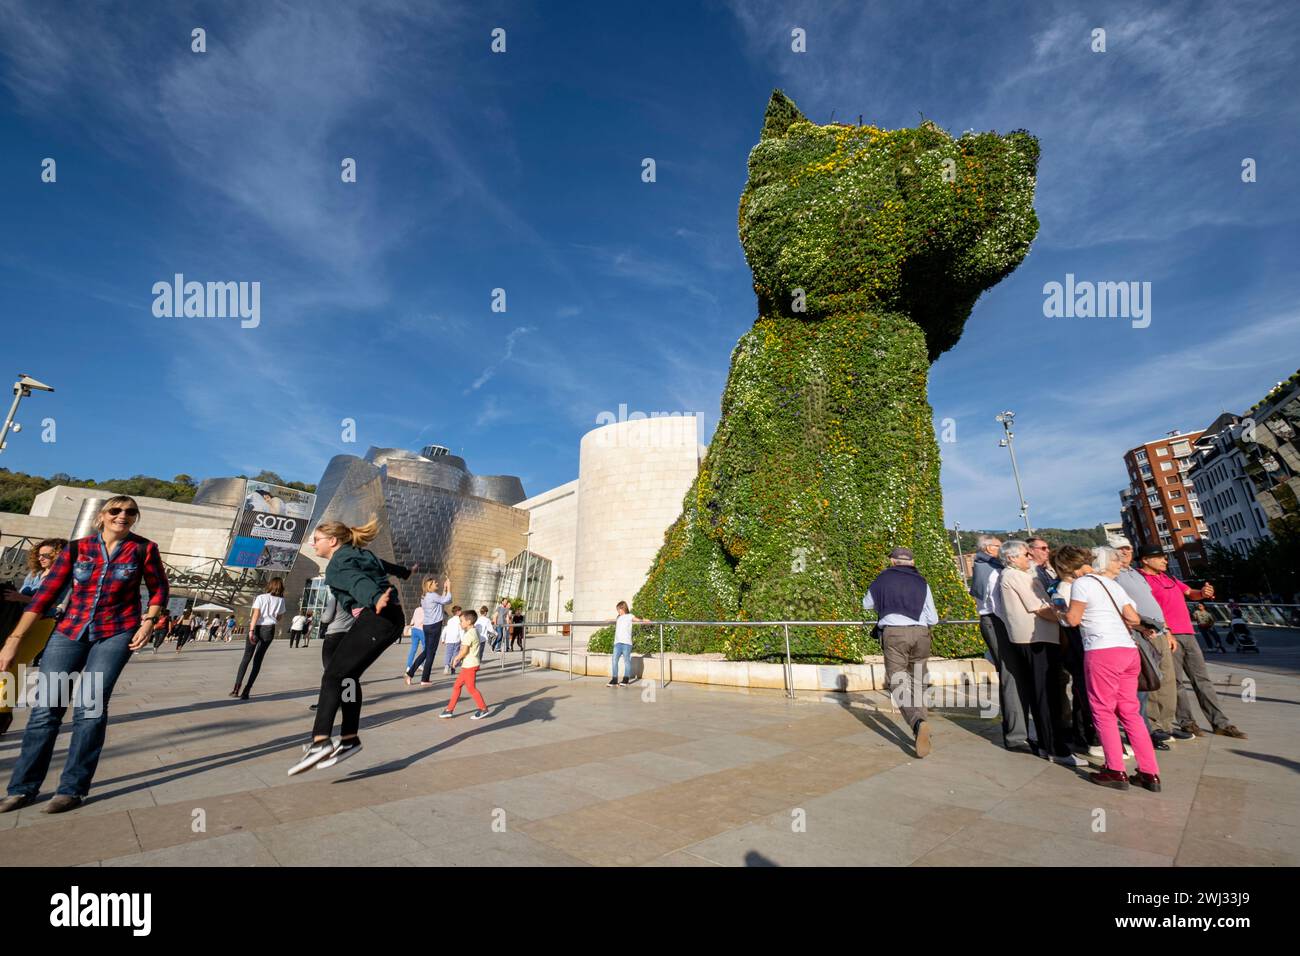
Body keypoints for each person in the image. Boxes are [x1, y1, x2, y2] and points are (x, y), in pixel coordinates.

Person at [0, 496, 168, 814]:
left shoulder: (144, 548)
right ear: (102, 516)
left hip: (116, 632)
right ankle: (22, 788)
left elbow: (159, 587)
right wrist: (14, 639)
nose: (123, 516)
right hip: (69, 631)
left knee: (89, 709)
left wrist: (149, 621)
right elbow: (45, 595)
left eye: (130, 512)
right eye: (116, 511)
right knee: (45, 710)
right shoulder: (77, 549)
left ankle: (71, 790)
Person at [289, 518, 414, 774]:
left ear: (332, 541)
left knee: (333, 676)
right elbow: (382, 565)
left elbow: (357, 581)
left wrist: (375, 597)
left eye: (316, 540)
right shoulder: (359, 553)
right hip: (389, 618)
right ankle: (349, 739)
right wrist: (404, 572)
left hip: (377, 616)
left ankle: (320, 742)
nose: (313, 545)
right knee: (348, 678)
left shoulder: (337, 565)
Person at [1063, 546, 1160, 791]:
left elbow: (1073, 619)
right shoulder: (1115, 586)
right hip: (1128, 651)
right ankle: (1150, 773)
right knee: (1130, 711)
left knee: (1103, 711)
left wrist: (1058, 612)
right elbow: (1134, 619)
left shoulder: (1083, 583)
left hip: (1102, 651)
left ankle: (1115, 769)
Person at [1136, 547, 1246, 740]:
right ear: (1145, 560)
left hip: (1188, 632)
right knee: (1175, 682)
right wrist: (1165, 630)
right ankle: (1187, 723)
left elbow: (1189, 593)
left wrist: (1202, 593)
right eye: (1160, 557)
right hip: (1167, 635)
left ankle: (1220, 723)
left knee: (1202, 679)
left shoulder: (1169, 577)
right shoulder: (1140, 580)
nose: (1165, 560)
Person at [998, 541, 1085, 765]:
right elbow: (1038, 606)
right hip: (1035, 639)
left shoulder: (1022, 575)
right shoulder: (1015, 576)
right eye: (1026, 554)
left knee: (1047, 692)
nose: (1030, 557)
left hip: (1040, 638)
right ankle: (1054, 747)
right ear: (1011, 558)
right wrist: (1068, 617)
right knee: (1046, 693)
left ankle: (1051, 744)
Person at [862, 547, 937, 757]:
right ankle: (922, 727)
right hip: (921, 634)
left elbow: (866, 604)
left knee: (897, 681)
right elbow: (934, 618)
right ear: (912, 562)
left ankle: (917, 722)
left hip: (894, 634)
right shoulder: (922, 582)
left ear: (892, 561)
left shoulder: (882, 580)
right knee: (918, 681)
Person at [1111, 539, 1184, 750]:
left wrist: (1167, 630)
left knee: (1167, 679)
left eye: (1129, 548)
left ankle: (1166, 724)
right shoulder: (1114, 575)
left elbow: (1154, 604)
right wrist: (1140, 627)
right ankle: (1152, 727)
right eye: (1121, 548)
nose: (1126, 551)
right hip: (1142, 631)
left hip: (1159, 630)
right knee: (1149, 679)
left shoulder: (1135, 574)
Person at [0, 538, 70, 737]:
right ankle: (4, 710)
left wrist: (21, 598)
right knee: (6, 666)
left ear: (58, 556)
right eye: (39, 555)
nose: (42, 559)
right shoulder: (35, 574)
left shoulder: (63, 577)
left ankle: (3, 714)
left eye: (47, 555)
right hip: (19, 621)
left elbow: (52, 604)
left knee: (13, 664)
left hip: (42, 624)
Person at [1050, 546, 1099, 755]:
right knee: (1083, 692)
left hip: (1085, 643)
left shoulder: (1077, 585)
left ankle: (1090, 735)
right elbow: (1069, 620)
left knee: (1086, 692)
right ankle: (1087, 737)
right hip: (1077, 644)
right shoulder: (1064, 589)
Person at [231, 578, 285, 700]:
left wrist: (251, 630)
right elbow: (279, 617)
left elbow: (255, 614)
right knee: (258, 660)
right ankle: (247, 690)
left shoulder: (261, 597)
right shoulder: (281, 600)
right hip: (269, 629)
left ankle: (236, 689)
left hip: (256, 627)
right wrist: (272, 618)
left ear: (270, 585)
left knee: (246, 658)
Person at [439, 609, 490, 720]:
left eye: (461, 621)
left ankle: (483, 709)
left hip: (469, 666)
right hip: (469, 665)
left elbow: (464, 651)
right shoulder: (474, 631)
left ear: (469, 621)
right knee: (457, 686)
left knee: (471, 688)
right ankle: (449, 710)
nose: (460, 623)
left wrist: (456, 658)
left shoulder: (469, 634)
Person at [407, 576, 452, 686]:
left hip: (427, 626)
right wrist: (449, 588)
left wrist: (445, 590)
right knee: (431, 653)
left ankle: (410, 673)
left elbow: (440, 601)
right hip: (434, 626)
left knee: (427, 651)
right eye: (434, 583)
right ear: (429, 586)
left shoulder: (425, 596)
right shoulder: (433, 596)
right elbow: (447, 600)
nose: (437, 583)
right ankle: (424, 679)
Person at [608, 600, 648, 687]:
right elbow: (614, 620)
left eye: (619, 609)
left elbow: (637, 620)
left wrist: (644, 620)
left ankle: (626, 679)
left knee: (626, 661)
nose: (618, 611)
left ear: (623, 608)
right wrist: (607, 620)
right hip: (617, 643)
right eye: (618, 610)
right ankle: (614, 679)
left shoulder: (630, 616)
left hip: (626, 643)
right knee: (614, 660)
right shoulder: (618, 617)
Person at [441, 605, 463, 675]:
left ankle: (446, 667)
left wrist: (443, 638)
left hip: (449, 640)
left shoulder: (450, 620)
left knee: (448, 653)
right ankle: (453, 667)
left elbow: (445, 629)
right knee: (455, 654)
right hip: (457, 640)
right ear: (457, 612)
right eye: (460, 611)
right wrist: (463, 640)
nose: (461, 612)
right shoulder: (460, 620)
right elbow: (461, 631)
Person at [405, 604, 426, 679]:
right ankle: (421, 664)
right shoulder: (426, 610)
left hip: (414, 630)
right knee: (426, 650)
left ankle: (408, 666)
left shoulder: (417, 609)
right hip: (422, 630)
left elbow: (412, 620)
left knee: (413, 649)